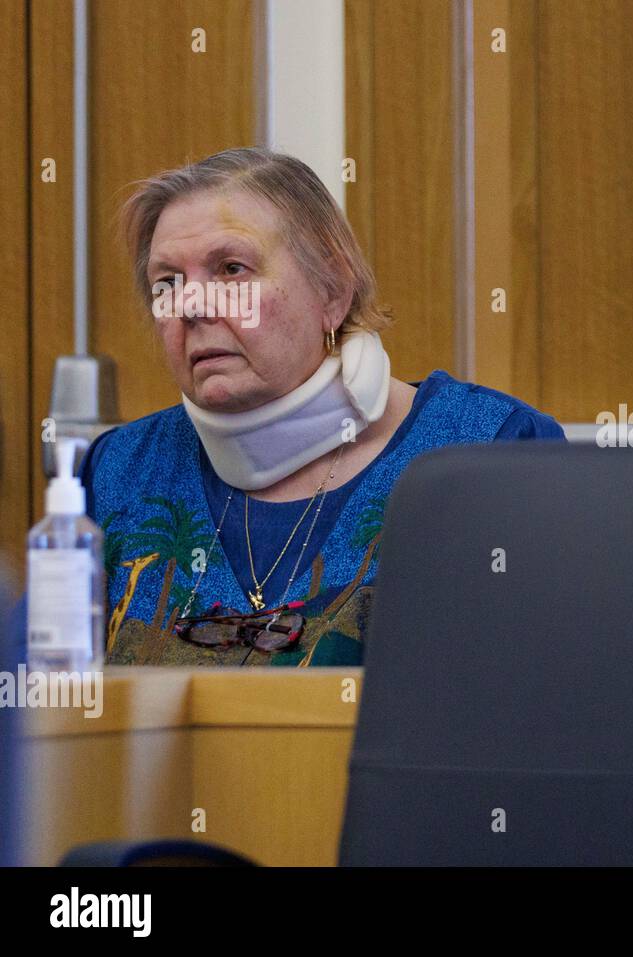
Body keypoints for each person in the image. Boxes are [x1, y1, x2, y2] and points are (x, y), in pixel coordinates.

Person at [80, 147, 563, 666]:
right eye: (167, 283)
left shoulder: (492, 449)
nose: (191, 305)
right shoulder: (115, 472)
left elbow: (546, 707)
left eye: (231, 269)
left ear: (332, 289)